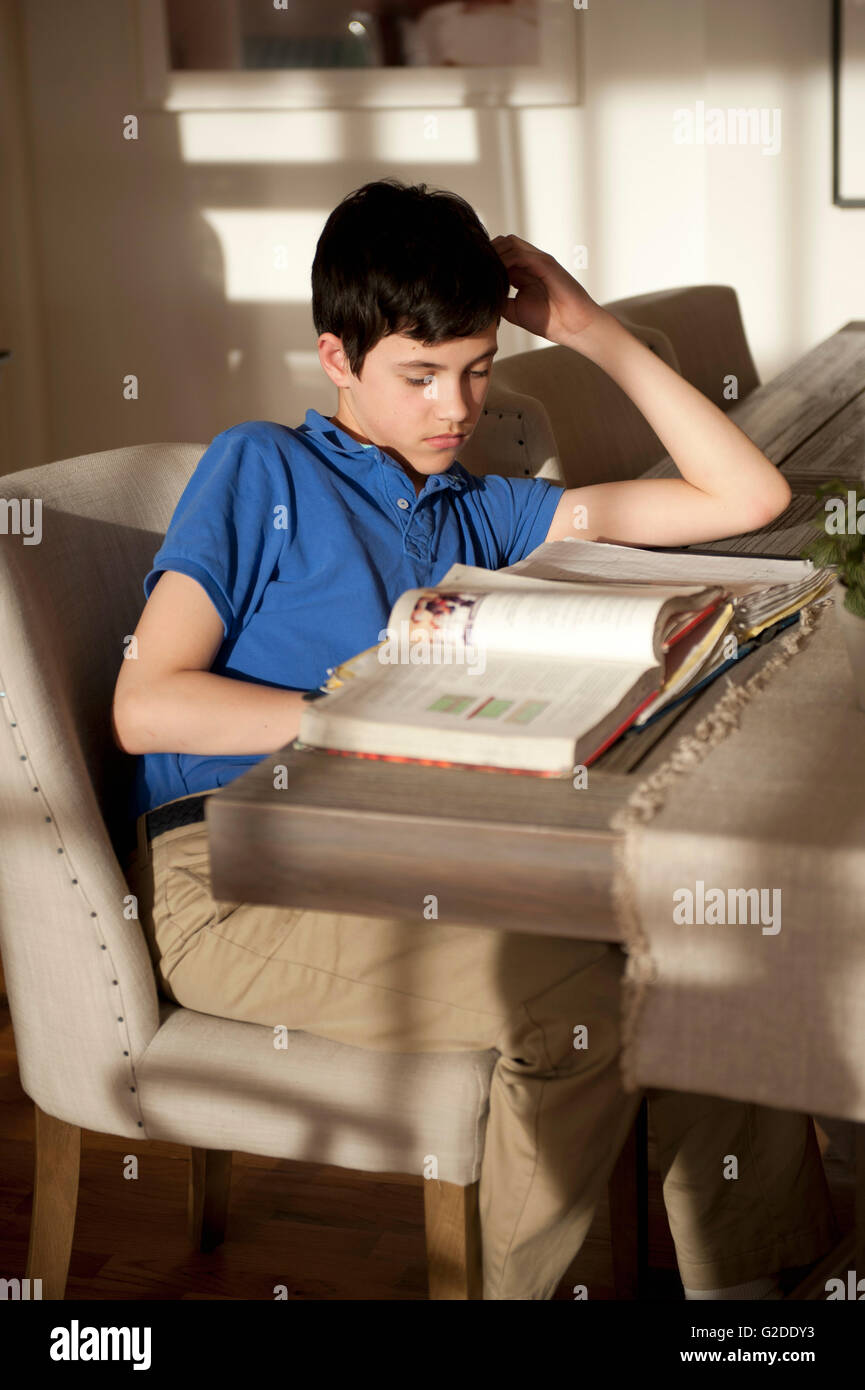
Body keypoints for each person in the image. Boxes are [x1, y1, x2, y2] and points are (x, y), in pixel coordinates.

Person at [113, 178, 836, 1301]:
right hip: (228, 876)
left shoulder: (472, 510)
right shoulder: (259, 469)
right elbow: (147, 705)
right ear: (335, 359)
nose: (453, 407)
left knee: (702, 953)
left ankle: (748, 1301)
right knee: (584, 1013)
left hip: (397, 853)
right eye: (417, 376)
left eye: (476, 368)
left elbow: (744, 494)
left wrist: (590, 327)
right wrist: (368, 712)